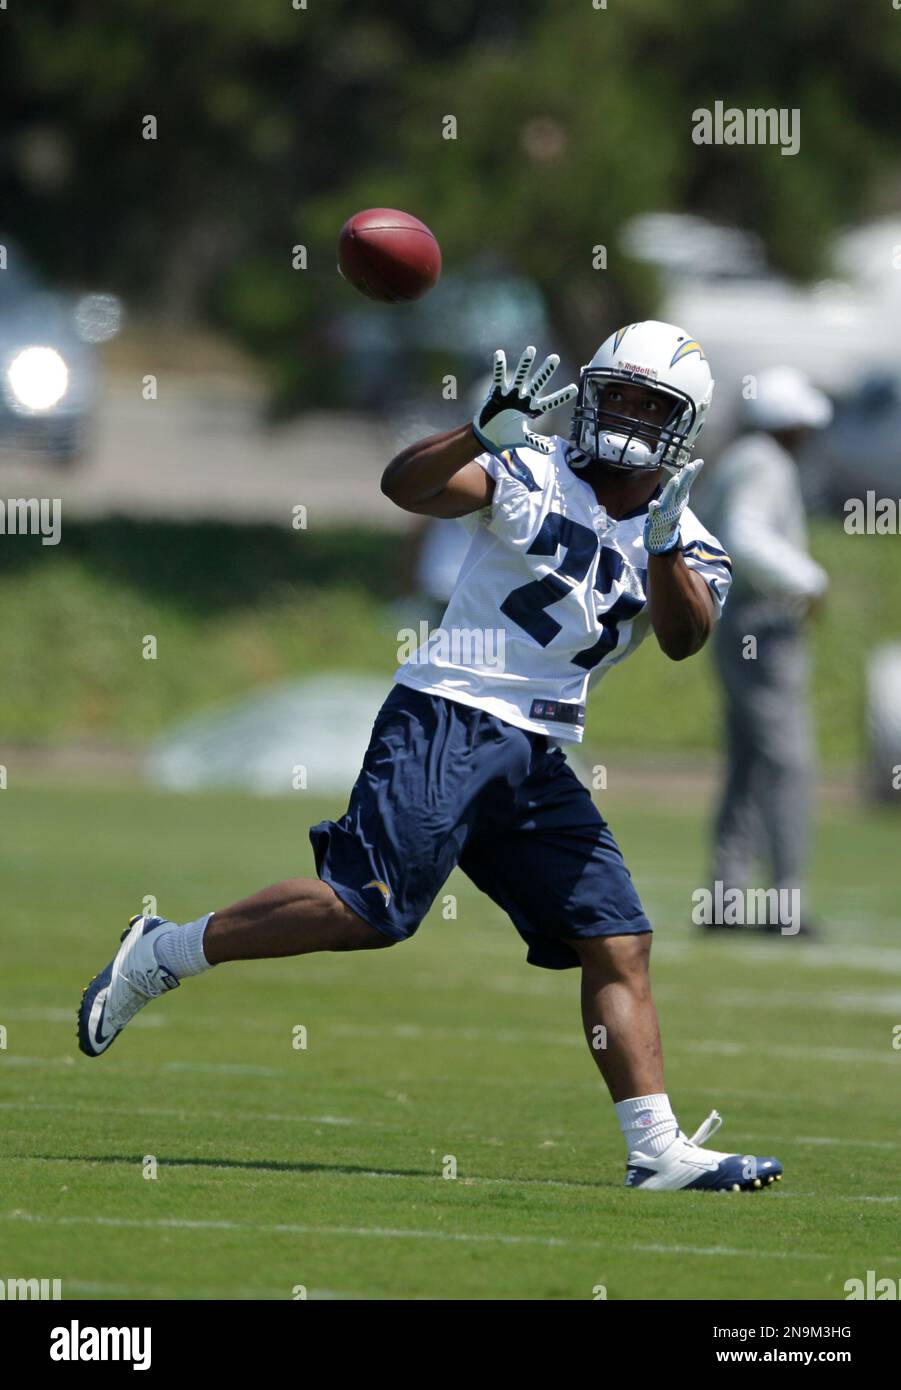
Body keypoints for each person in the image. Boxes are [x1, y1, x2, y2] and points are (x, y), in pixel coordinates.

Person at [78, 321, 783, 1193]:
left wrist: (667, 540)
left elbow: (685, 637)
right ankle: (163, 951)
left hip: (536, 749)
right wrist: (475, 434)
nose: (627, 417)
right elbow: (407, 488)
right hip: (451, 712)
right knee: (365, 913)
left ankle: (655, 1149)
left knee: (617, 940)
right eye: (617, 395)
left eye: (651, 405)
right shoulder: (535, 470)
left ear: (685, 424)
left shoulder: (687, 534)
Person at [701, 367, 832, 934]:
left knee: (751, 763)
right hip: (761, 624)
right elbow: (744, 534)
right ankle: (784, 903)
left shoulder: (743, 456)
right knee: (786, 762)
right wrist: (808, 578)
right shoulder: (765, 461)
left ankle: (727, 900)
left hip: (739, 623)